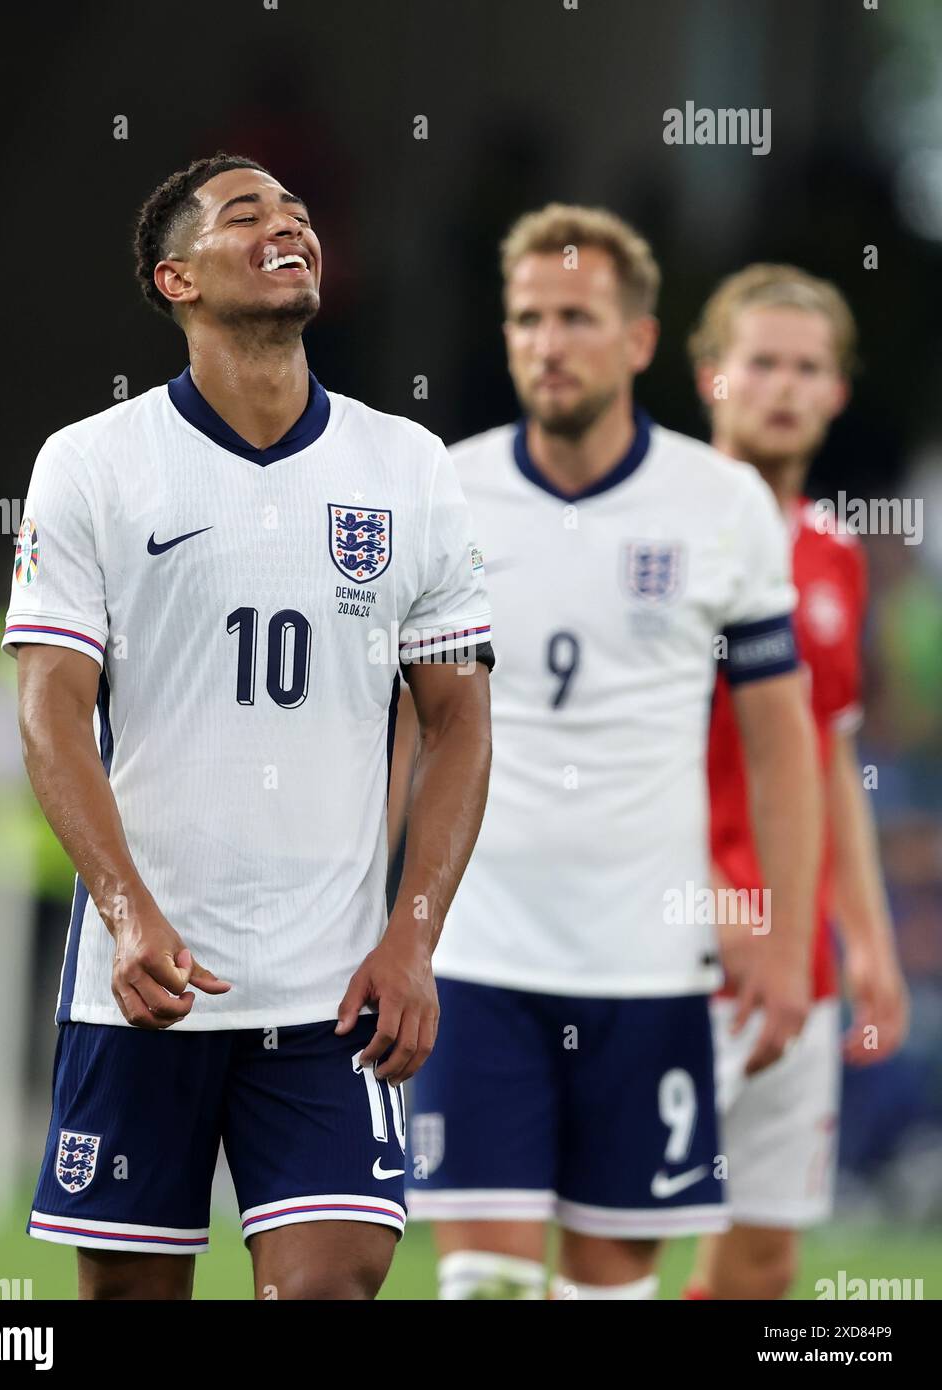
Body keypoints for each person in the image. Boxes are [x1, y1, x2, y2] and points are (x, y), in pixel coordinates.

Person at [2, 152, 493, 1301]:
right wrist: (126, 916)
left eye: (299, 213)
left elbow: (460, 719)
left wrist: (412, 934)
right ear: (174, 278)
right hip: (145, 980)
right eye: (246, 214)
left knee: (329, 1284)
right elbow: (50, 708)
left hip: (332, 990)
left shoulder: (407, 466)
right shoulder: (90, 463)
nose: (288, 227)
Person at [403, 204, 821, 1300]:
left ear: (637, 340)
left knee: (607, 1291)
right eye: (527, 317)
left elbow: (784, 749)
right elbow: (402, 723)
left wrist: (779, 943)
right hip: (477, 959)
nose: (548, 343)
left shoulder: (720, 503)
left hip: (646, 963)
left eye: (577, 317)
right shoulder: (443, 489)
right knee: (484, 1285)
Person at [683, 264, 909, 1300]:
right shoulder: (656, 531)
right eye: (759, 361)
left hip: (795, 945)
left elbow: (828, 761)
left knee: (764, 1255)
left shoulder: (833, 554)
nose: (781, 385)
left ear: (835, 392)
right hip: (669, 936)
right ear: (709, 377)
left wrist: (865, 937)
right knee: (615, 1241)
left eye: (805, 367)